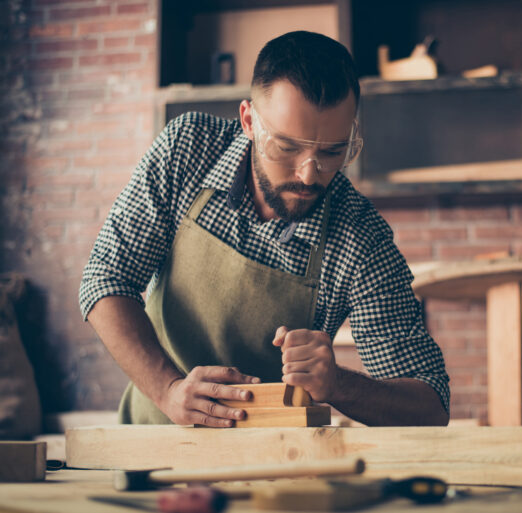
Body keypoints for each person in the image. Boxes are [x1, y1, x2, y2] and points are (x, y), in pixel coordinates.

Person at [79, 31, 449, 427]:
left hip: (272, 466)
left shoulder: (359, 237)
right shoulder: (187, 150)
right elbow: (105, 279)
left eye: (331, 152)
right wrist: (169, 391)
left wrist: (338, 384)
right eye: (287, 147)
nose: (309, 174)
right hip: (148, 443)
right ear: (249, 120)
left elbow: (431, 406)